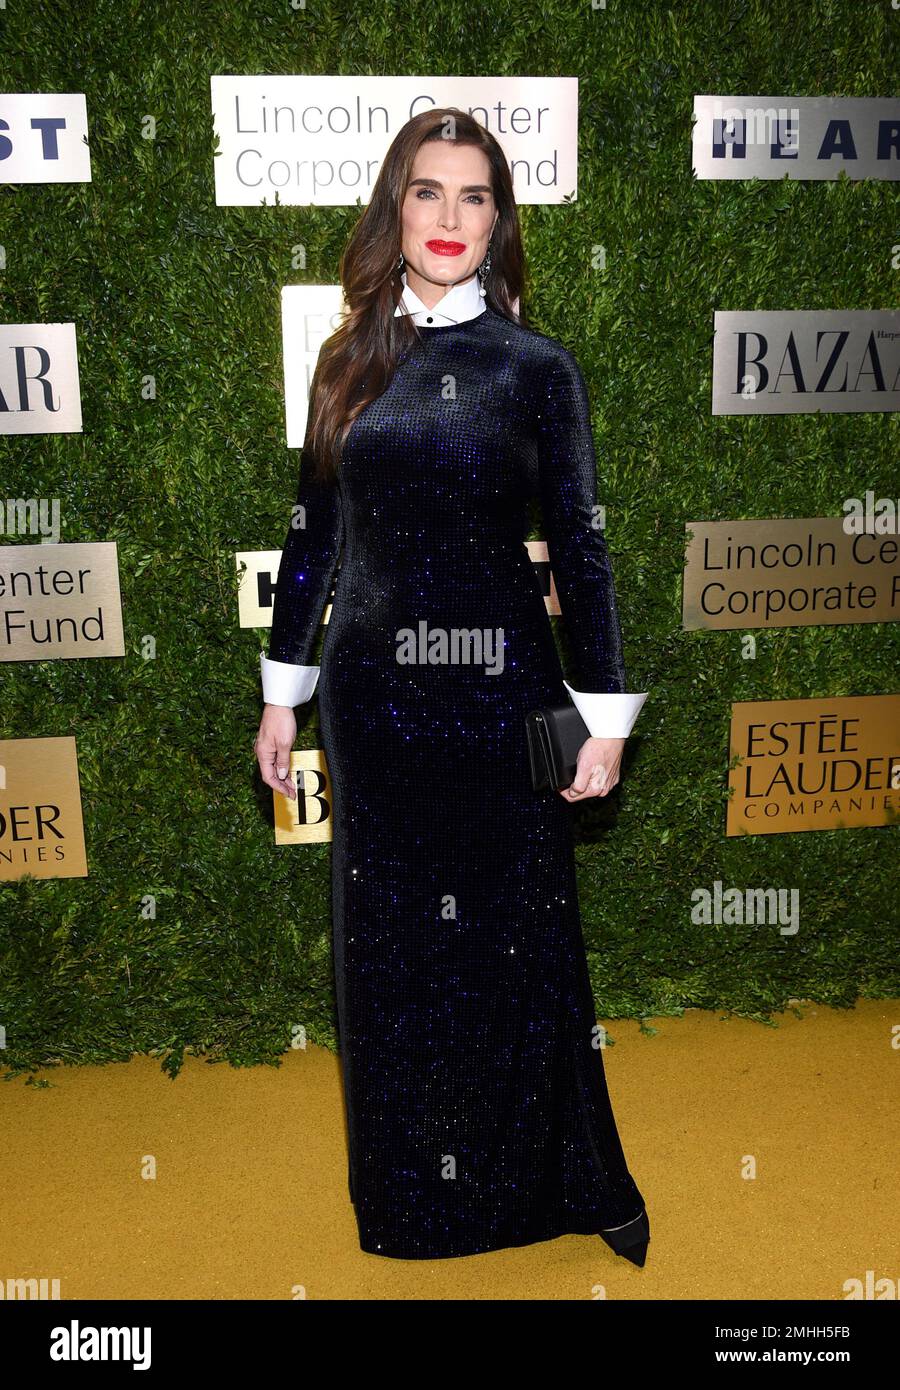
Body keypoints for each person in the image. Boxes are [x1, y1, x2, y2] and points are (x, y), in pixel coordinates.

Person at [254, 107, 650, 1265]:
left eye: (475, 197)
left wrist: (605, 713)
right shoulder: (350, 362)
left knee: (515, 951)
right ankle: (416, 1202)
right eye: (428, 192)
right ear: (395, 208)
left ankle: (530, 1188)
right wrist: (285, 692)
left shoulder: (539, 371)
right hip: (375, 710)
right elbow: (313, 541)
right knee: (393, 960)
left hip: (500, 705)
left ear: (498, 221)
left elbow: (581, 547)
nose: (450, 218)